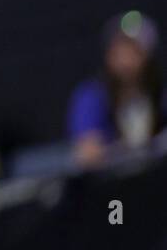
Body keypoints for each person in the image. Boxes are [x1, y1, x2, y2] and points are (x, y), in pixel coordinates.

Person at [68, 12, 165, 166]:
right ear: (109, 55)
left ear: (147, 56)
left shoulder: (160, 92)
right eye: (119, 51)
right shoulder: (93, 95)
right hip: (113, 182)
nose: (125, 60)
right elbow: (87, 152)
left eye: (133, 51)